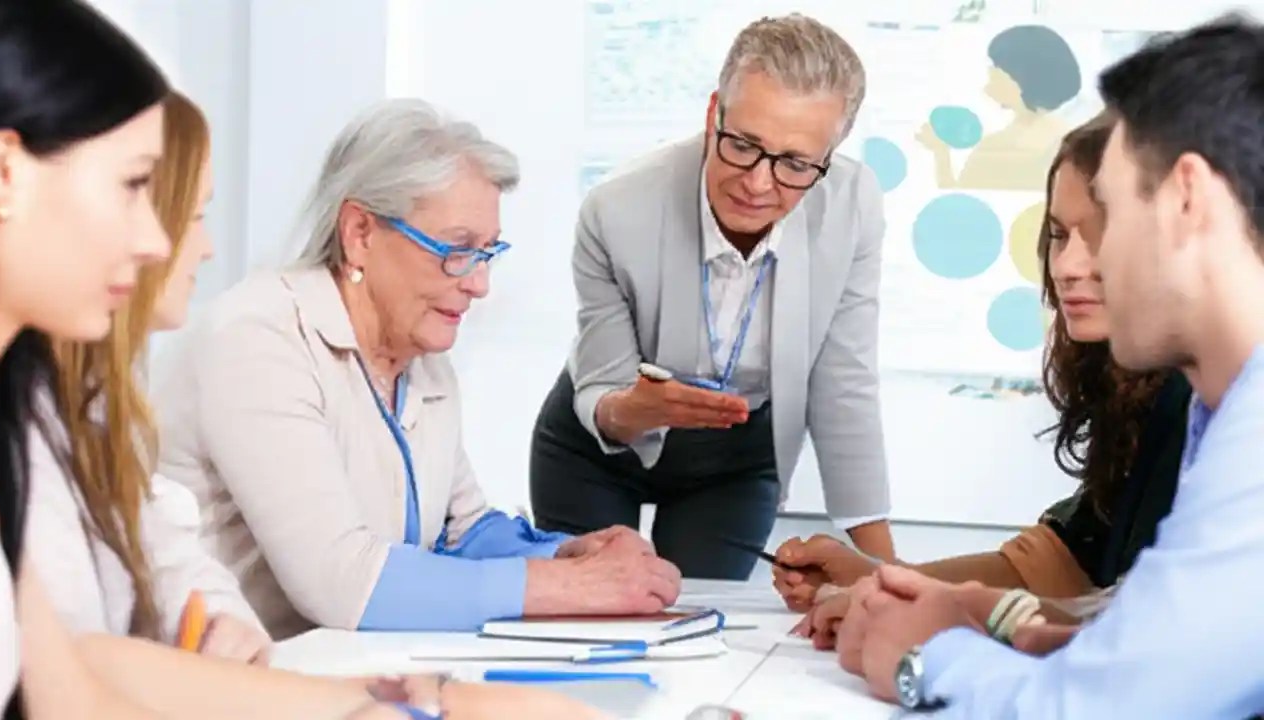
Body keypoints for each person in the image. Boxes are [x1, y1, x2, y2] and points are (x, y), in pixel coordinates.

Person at [0, 3, 601, 718]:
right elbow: (337, 581)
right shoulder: (256, 334)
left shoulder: (30, 411)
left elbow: (88, 660)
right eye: (133, 187)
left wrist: (416, 697)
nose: (168, 244)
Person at [850, 16, 1264, 717]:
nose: (1076, 264)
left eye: (1109, 212)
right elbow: (1173, 661)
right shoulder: (1216, 406)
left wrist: (925, 658)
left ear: (1187, 198)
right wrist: (1000, 619)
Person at [153, 97, 678, 640]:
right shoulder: (258, 339)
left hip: (344, 670)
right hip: (230, 677)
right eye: (457, 250)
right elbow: (339, 580)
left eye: (488, 252)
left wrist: (570, 554)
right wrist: (576, 587)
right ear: (360, 233)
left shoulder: (420, 358)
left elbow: (461, 531)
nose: (479, 283)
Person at [778, 113, 1193, 648]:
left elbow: (1143, 631)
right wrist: (884, 579)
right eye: (1060, 236)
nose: (1066, 266)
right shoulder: (1146, 387)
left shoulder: (1205, 394)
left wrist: (941, 622)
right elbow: (1069, 558)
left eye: (1099, 236)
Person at [528, 13, 895, 581]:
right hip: (596, 447)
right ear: (712, 114)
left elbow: (843, 382)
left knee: (707, 621)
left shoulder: (852, 205)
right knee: (592, 613)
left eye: (795, 163)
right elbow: (601, 384)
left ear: (829, 157)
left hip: (734, 460)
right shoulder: (616, 209)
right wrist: (635, 409)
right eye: (743, 144)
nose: (757, 182)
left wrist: (888, 575)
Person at [25, 89, 270, 664]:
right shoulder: (257, 335)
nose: (201, 248)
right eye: (197, 215)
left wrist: (222, 622)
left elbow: (171, 557)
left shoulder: (98, 405)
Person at [917, 25, 1082, 191]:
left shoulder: (997, 148)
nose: (987, 88)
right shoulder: (1076, 141)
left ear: (1021, 79)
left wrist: (941, 154)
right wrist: (941, 153)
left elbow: (962, 202)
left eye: (995, 77)